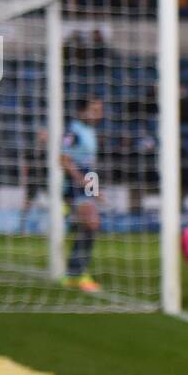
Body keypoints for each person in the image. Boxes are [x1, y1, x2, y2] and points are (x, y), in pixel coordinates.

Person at [61, 96, 104, 293]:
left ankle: (72, 274)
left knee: (88, 227)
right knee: (91, 224)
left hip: (85, 187)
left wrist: (95, 191)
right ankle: (80, 274)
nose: (98, 114)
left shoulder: (90, 132)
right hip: (74, 187)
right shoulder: (74, 131)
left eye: (99, 110)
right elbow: (64, 159)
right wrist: (80, 180)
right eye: (94, 110)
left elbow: (89, 165)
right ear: (81, 112)